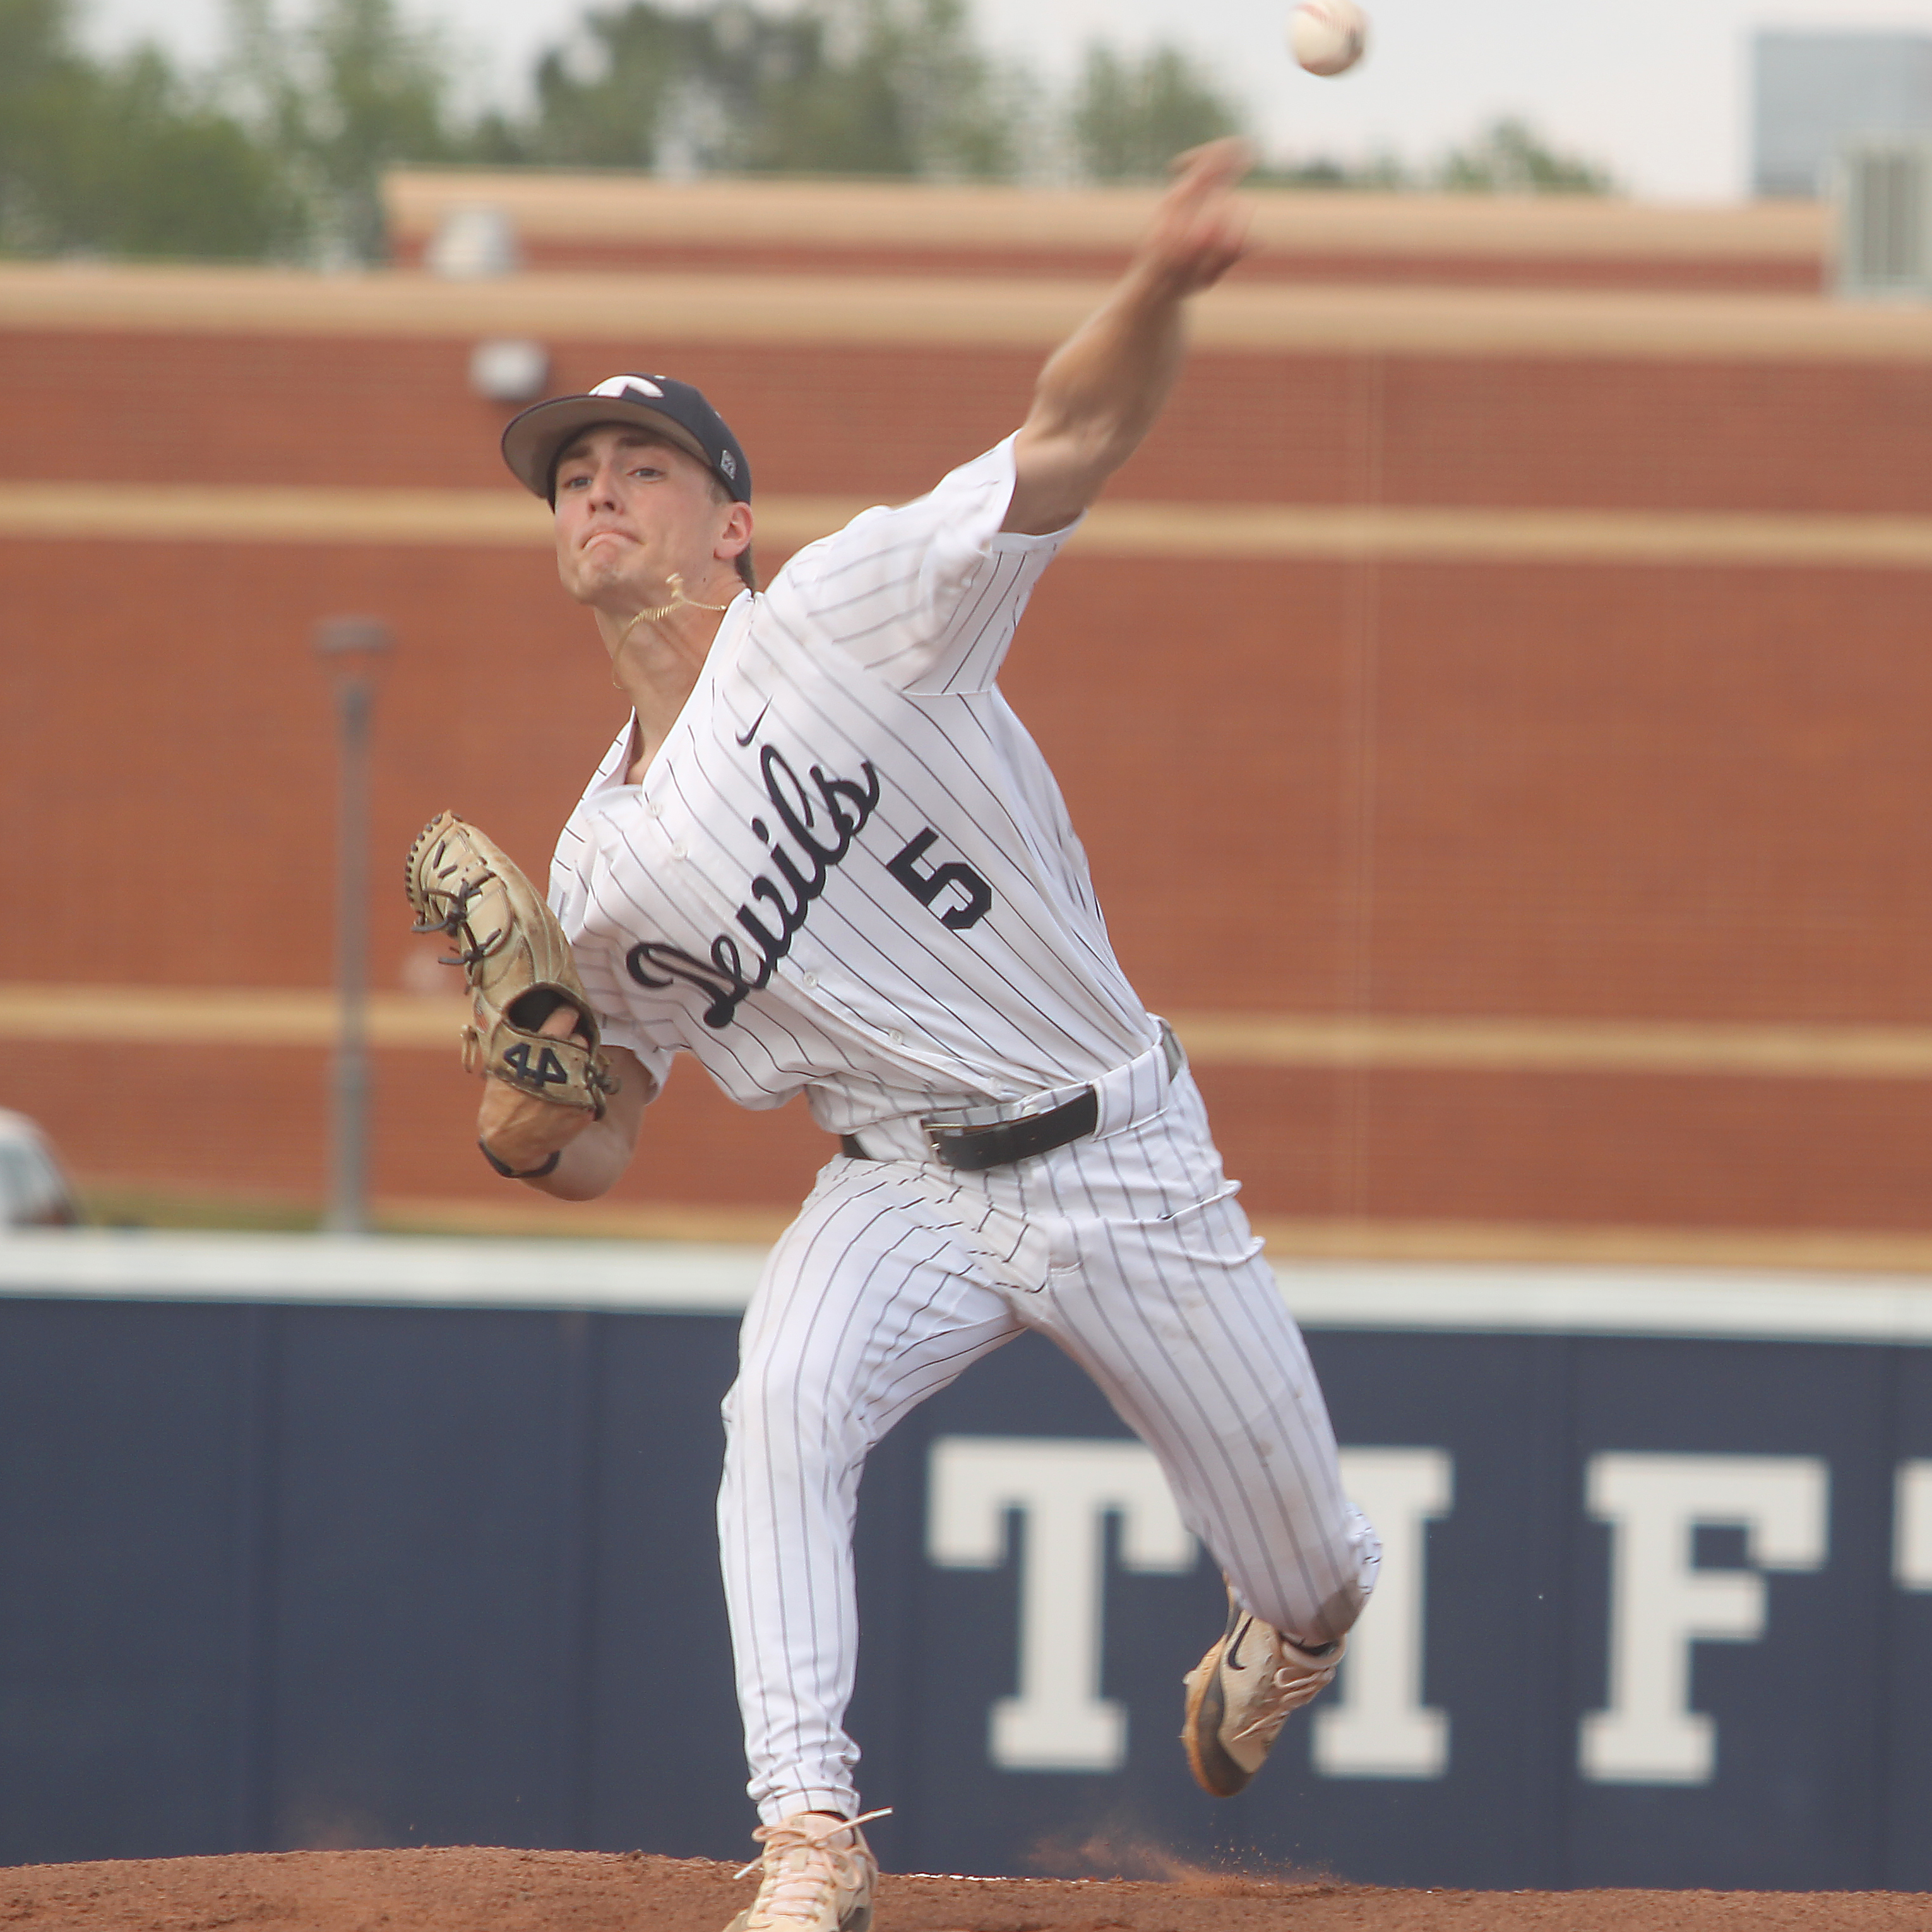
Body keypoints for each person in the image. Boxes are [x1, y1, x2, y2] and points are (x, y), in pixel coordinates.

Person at [478, 140, 1379, 1932]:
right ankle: (808, 1834)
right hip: (898, 1182)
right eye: (571, 474)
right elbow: (601, 1134)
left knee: (1319, 1567)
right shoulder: (600, 864)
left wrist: (1161, 281)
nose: (596, 493)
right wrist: (524, 1098)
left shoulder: (847, 613)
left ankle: (1280, 1640)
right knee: (781, 1405)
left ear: (726, 521)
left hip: (1116, 1144)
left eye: (639, 465)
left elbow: (1066, 441)